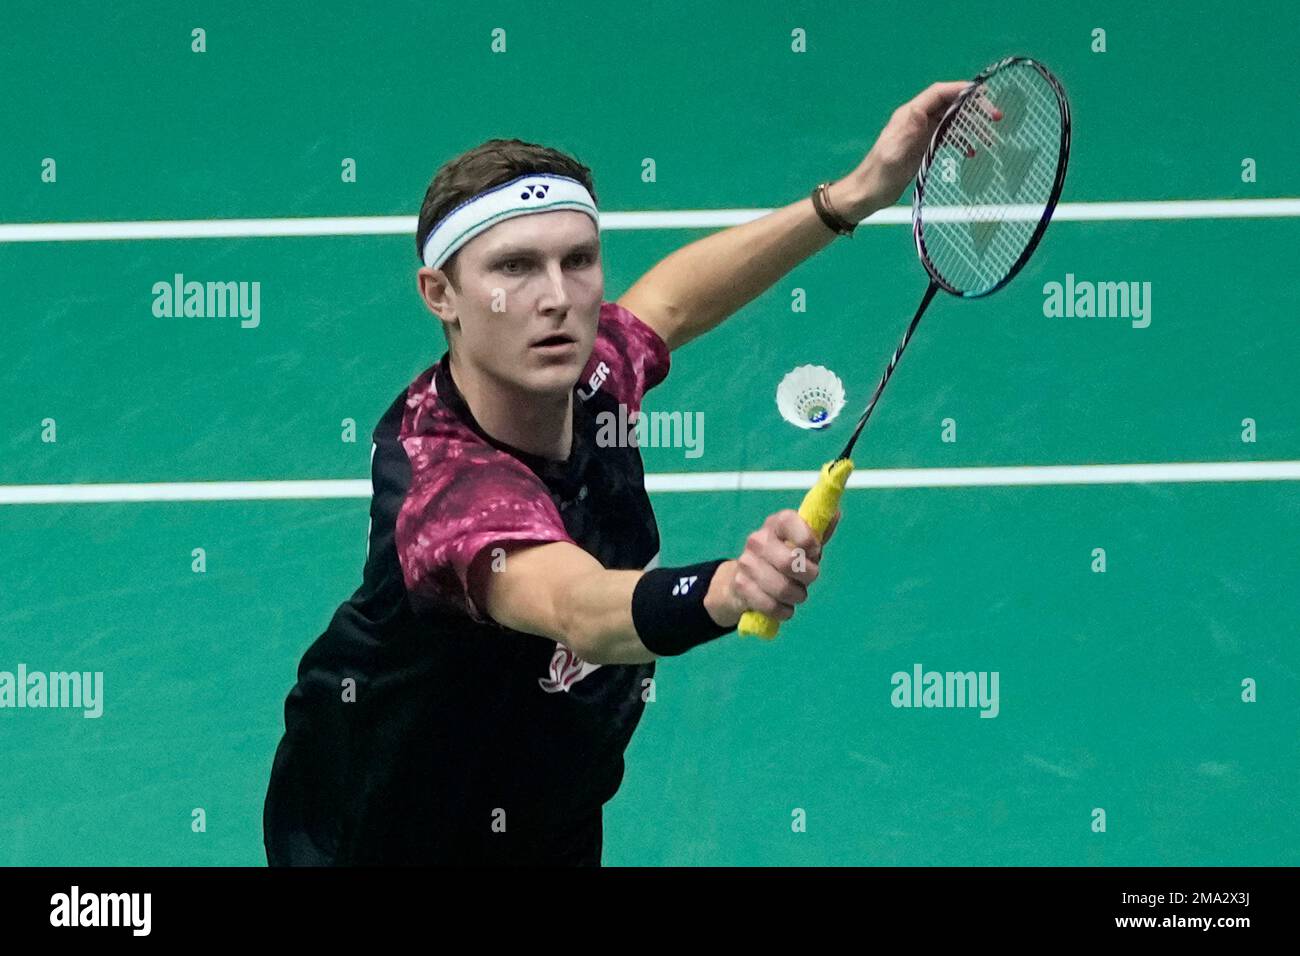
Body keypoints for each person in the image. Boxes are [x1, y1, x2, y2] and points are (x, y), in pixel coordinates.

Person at [263, 81, 970, 865]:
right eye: (515, 269)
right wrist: (727, 589)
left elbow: (667, 305)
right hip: (392, 832)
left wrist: (852, 195)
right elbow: (578, 607)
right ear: (441, 296)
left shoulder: (586, 374)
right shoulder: (450, 489)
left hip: (545, 801)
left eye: (580, 260)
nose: (558, 299)